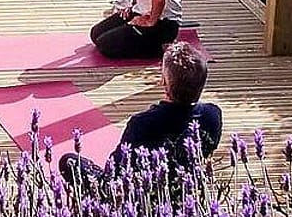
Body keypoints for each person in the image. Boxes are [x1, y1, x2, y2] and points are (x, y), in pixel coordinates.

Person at [59, 41, 222, 184]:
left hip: (144, 192)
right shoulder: (213, 115)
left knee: (69, 162)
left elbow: (116, 169)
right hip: (187, 185)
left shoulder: (142, 123)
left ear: (163, 83)